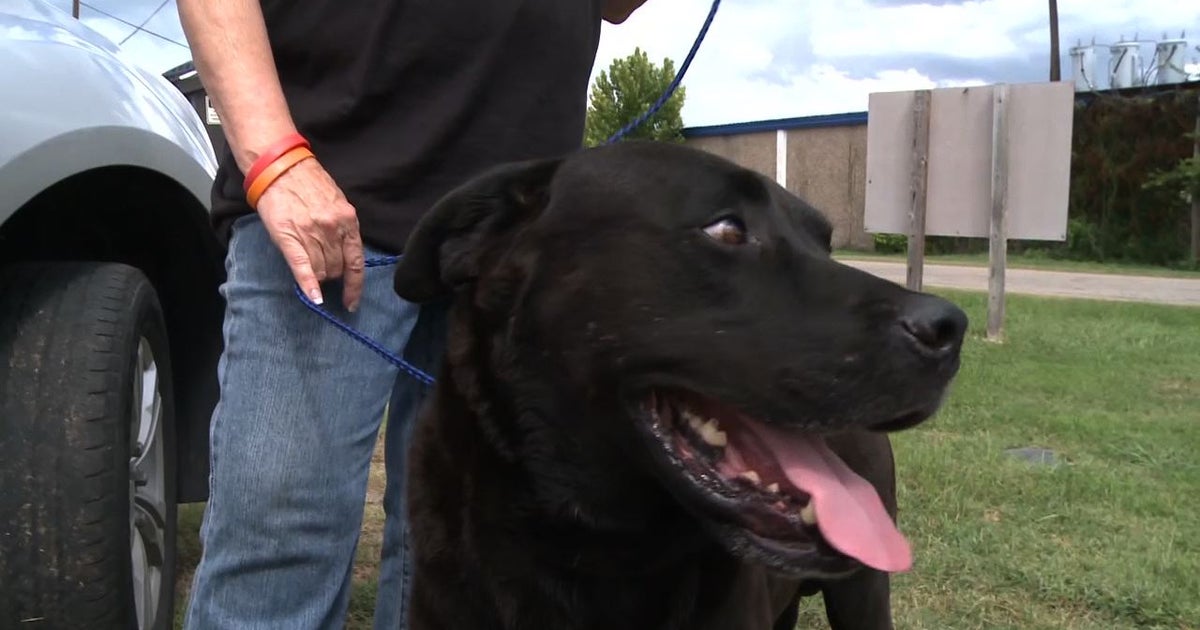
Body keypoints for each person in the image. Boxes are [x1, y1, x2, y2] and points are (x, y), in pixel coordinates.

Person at [176, 1, 650, 628]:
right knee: (278, 554)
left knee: (463, 555)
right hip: (327, 204)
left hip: (507, 231)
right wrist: (275, 158)